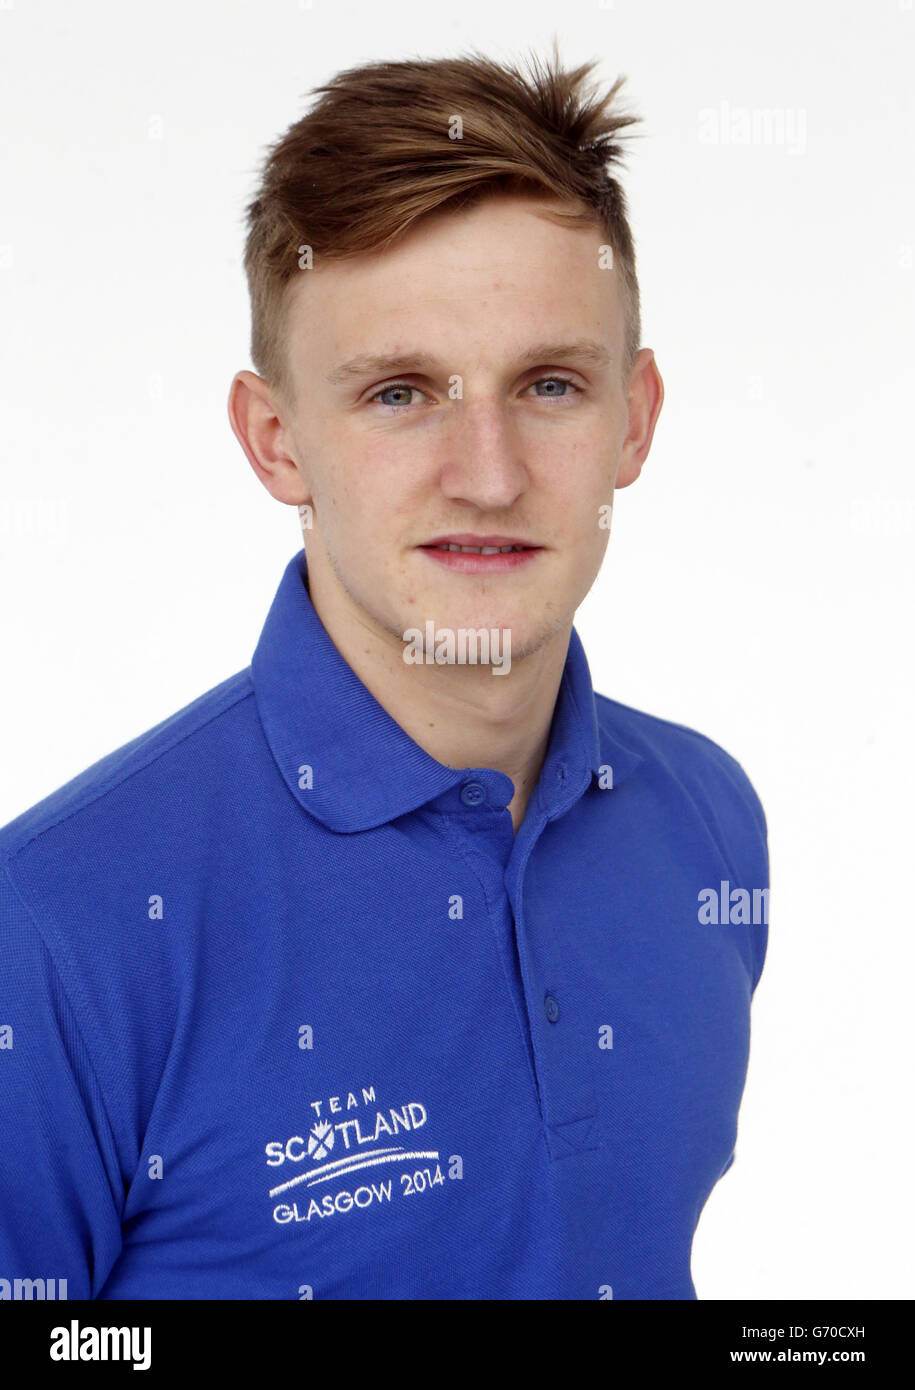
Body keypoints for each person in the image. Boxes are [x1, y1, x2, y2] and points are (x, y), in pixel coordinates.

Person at [0, 46, 768, 1300]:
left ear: (635, 420)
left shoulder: (709, 826)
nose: (489, 471)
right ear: (276, 440)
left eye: (551, 384)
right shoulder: (50, 924)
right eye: (402, 392)